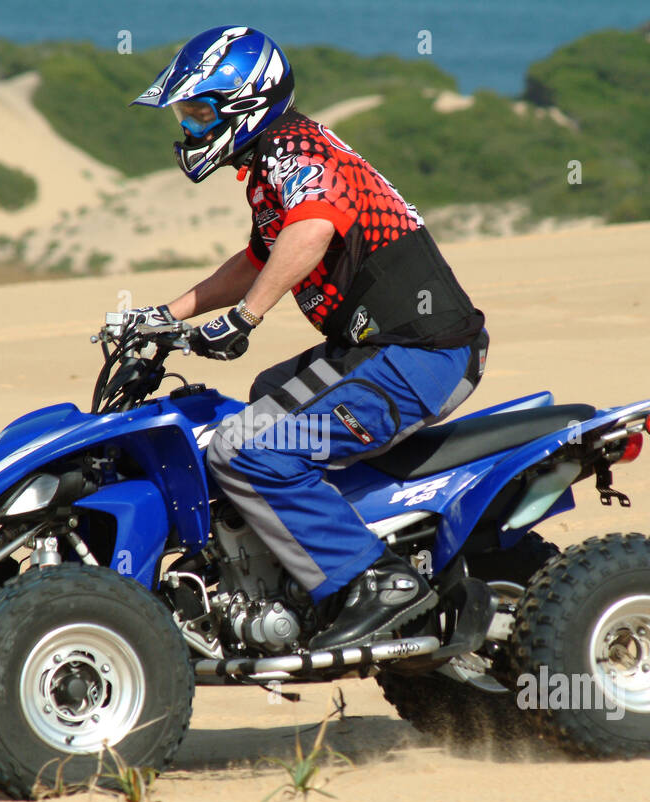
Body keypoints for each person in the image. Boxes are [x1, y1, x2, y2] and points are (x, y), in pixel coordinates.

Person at [128, 25, 488, 651]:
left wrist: (245, 317)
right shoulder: (274, 163)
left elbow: (312, 231)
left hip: (419, 353)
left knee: (250, 454)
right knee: (250, 407)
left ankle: (374, 582)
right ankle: (288, 570)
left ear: (243, 105)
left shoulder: (299, 152)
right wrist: (167, 313)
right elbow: (259, 255)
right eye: (184, 114)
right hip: (372, 349)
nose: (189, 128)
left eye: (198, 111)